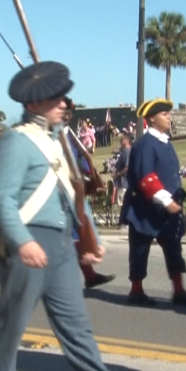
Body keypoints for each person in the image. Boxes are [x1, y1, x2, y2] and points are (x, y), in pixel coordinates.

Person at [0, 60, 149, 371]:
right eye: (56, 99)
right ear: (35, 104)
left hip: (59, 242)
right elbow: (2, 198)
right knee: (12, 321)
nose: (64, 104)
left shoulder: (58, 143)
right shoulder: (16, 140)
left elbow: (72, 198)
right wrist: (22, 241)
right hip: (25, 242)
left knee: (76, 323)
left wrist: (92, 238)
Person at [119, 98, 186, 307]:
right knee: (140, 250)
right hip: (145, 209)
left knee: (174, 249)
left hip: (165, 210)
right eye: (165, 115)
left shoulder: (165, 142)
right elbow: (147, 177)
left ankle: (179, 291)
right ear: (152, 118)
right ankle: (136, 291)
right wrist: (166, 200)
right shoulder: (145, 144)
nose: (169, 117)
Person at [62, 96, 115, 289]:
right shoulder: (50, 135)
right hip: (56, 192)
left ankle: (89, 275)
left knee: (78, 234)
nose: (67, 116)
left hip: (73, 190)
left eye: (69, 113)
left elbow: (81, 158)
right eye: (63, 112)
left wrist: (87, 175)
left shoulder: (68, 134)